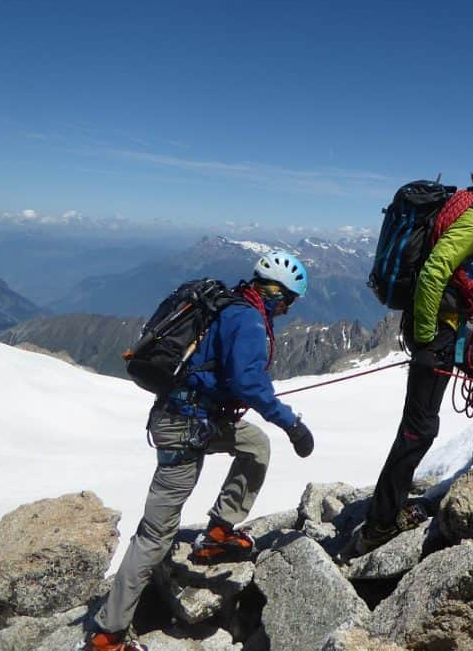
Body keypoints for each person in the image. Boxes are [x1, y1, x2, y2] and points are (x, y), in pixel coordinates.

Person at [80, 252, 315, 651]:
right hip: (185, 426)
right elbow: (249, 383)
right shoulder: (249, 320)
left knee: (254, 445)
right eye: (289, 300)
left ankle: (219, 533)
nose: (288, 309)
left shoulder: (234, 305)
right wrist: (291, 424)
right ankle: (108, 635)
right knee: (156, 534)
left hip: (196, 419)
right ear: (276, 293)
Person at [355, 152, 473, 555]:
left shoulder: (466, 205)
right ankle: (379, 525)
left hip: (451, 330)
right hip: (438, 334)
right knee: (419, 429)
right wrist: (429, 338)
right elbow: (434, 271)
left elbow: (458, 278)